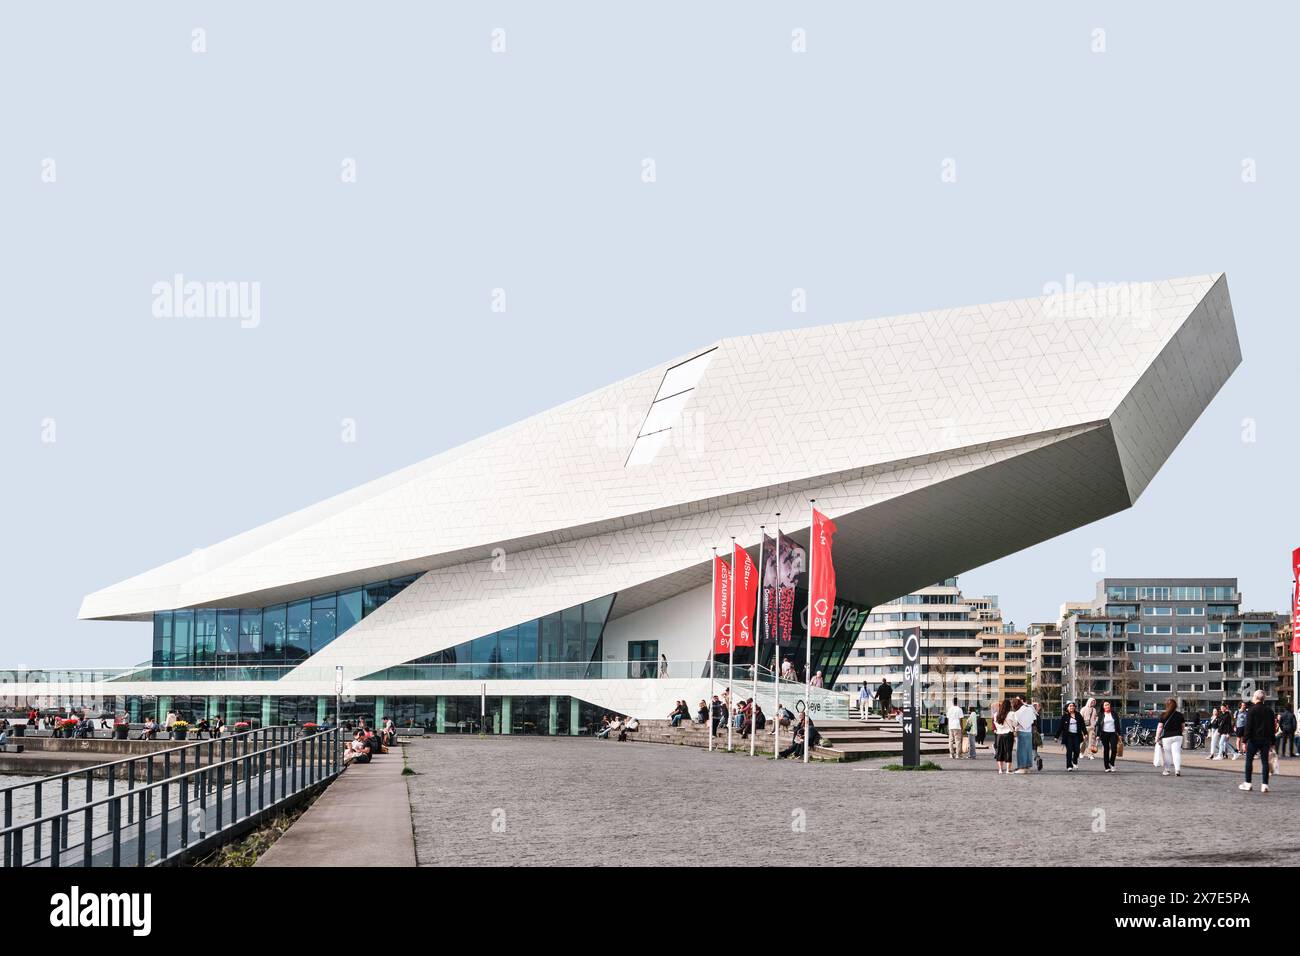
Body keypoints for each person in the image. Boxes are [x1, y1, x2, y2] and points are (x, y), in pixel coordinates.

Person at [1239, 689, 1276, 793]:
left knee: (1249, 761)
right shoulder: (1269, 711)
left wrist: (1244, 741)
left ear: (1255, 698)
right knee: (1265, 762)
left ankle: (1248, 783)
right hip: (1266, 740)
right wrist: (1273, 742)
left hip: (1253, 740)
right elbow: (1272, 728)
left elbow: (1248, 727)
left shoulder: (1252, 710)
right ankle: (1265, 785)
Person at [1157, 698, 1184, 778]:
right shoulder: (1180, 715)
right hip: (1178, 736)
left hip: (1167, 737)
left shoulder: (1163, 715)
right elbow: (1183, 726)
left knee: (1167, 754)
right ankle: (1177, 770)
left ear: (1167, 706)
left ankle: (1167, 770)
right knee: (1176, 753)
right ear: (1175, 706)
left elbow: (1160, 727)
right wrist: (1180, 733)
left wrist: (1157, 737)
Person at [1012, 697, 1036, 773]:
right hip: (1029, 732)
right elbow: (1033, 720)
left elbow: (1015, 723)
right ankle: (1027, 767)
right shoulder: (1029, 709)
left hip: (1021, 732)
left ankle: (1022, 767)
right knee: (1028, 750)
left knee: (1021, 750)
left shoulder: (1017, 713)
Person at [1058, 700, 1084, 771]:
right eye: (1070, 706)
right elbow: (1060, 727)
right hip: (1068, 736)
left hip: (1077, 735)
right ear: (1067, 707)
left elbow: (1082, 725)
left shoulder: (1078, 715)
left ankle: (1074, 760)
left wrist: (1085, 733)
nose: (1072, 707)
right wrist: (1056, 737)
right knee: (1069, 751)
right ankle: (1069, 766)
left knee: (1077, 750)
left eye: (1073, 706)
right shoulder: (1064, 716)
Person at [992, 699, 1015, 773]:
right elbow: (1015, 724)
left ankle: (1000, 769)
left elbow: (995, 724)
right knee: (1008, 751)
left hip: (999, 734)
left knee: (999, 752)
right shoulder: (1011, 714)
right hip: (1008, 734)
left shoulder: (996, 714)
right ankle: (1008, 769)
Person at [1098, 700, 1120, 773]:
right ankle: (1106, 766)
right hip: (1104, 734)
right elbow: (1099, 725)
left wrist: (1119, 734)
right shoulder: (1101, 714)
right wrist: (1098, 735)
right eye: (1105, 705)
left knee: (1114, 749)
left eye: (1108, 704)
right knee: (1106, 750)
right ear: (1103, 707)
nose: (1107, 706)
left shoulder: (1114, 713)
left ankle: (1112, 762)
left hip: (1113, 733)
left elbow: (1118, 724)